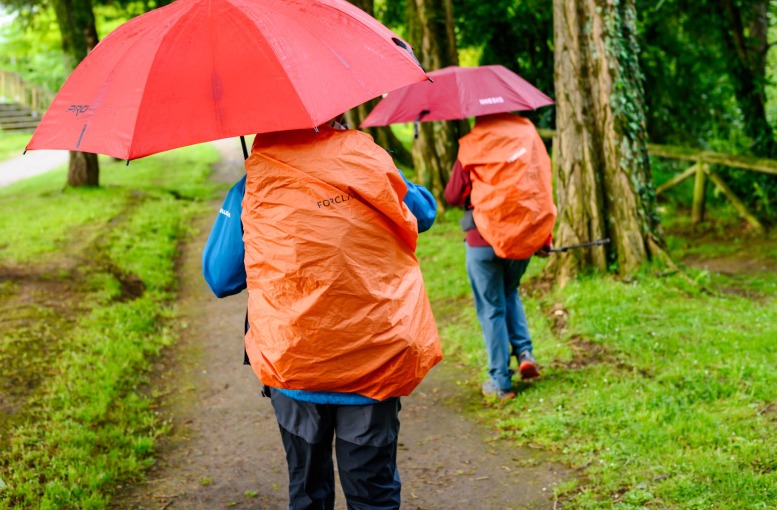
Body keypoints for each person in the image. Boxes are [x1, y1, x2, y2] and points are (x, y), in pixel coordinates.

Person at [203, 116, 442, 510]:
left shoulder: (253, 185)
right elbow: (425, 211)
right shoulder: (367, 159)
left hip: (294, 363)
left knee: (308, 492)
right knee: (374, 494)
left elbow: (220, 276)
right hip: (375, 357)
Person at [444, 112, 557, 401]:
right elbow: (540, 186)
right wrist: (544, 236)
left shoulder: (472, 143)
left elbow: (453, 195)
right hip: (522, 235)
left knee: (491, 308)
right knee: (509, 290)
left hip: (482, 240)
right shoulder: (528, 134)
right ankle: (525, 352)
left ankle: (500, 382)